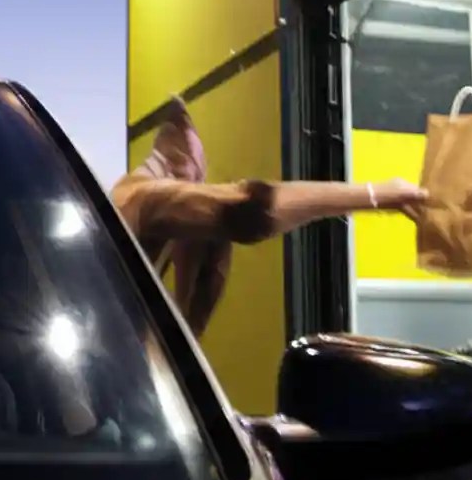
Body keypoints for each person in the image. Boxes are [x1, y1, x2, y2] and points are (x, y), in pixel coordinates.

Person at [111, 98, 427, 336]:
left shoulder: (127, 217)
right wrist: (378, 194)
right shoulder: (142, 198)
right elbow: (248, 208)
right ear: (180, 160)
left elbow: (207, 252)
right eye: (199, 180)